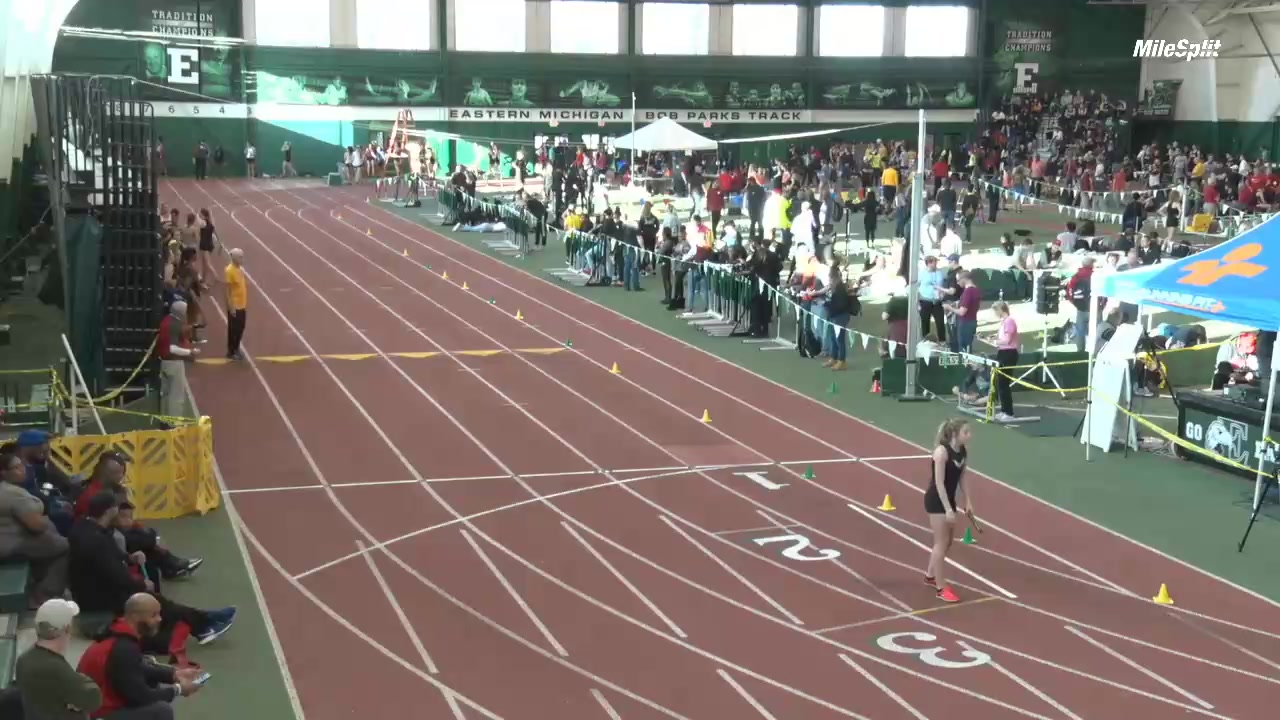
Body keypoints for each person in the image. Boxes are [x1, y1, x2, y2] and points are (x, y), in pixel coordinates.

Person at [69, 493, 235, 652]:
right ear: (109, 511)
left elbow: (109, 558)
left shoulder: (84, 528)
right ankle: (204, 623)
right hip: (100, 602)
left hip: (93, 593)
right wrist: (141, 583)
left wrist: (129, 557)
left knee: (159, 602)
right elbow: (115, 574)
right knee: (153, 602)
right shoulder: (96, 540)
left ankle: (204, 623)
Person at [77, 593, 205, 719]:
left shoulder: (117, 634)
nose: (159, 619)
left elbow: (135, 668)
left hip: (93, 707)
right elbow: (141, 697)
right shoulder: (124, 648)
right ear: (135, 616)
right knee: (161, 711)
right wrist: (178, 689)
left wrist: (173, 674)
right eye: (153, 615)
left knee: (151, 681)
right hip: (96, 714)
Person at [0, 447, 69, 606]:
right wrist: (46, 519)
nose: (22, 470)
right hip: (12, 545)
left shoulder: (9, 490)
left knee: (50, 544)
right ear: (3, 473)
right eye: (16, 468)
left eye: (22, 466)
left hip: (11, 542)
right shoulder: (12, 494)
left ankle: (40, 588)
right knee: (67, 547)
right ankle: (45, 594)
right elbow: (36, 526)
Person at [15, 598, 102, 719]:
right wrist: (80, 680)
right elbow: (93, 698)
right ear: (67, 629)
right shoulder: (57, 670)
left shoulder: (23, 660)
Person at [923, 418, 973, 604]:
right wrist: (947, 509)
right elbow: (939, 483)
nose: (970, 435)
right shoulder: (941, 452)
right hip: (937, 500)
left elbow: (962, 477)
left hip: (949, 500)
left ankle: (929, 575)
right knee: (941, 543)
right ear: (955, 433)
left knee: (948, 542)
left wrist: (968, 501)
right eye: (966, 432)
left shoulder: (963, 452)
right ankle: (941, 587)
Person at [157, 300, 199, 418]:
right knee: (176, 395)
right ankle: (174, 423)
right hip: (174, 364)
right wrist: (189, 352)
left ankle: (164, 420)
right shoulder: (174, 325)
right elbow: (172, 348)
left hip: (165, 363)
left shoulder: (166, 320)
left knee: (165, 394)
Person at [991, 301, 1019, 422]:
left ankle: (1009, 412)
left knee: (1003, 383)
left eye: (996, 311)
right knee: (1000, 383)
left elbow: (1007, 340)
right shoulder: (1004, 323)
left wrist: (995, 341)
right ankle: (1004, 410)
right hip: (1003, 352)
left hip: (1009, 353)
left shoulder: (1009, 321)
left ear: (1001, 310)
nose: (995, 314)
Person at [224, 248, 248, 360]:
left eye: (242, 256)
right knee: (234, 329)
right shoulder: (229, 270)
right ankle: (232, 350)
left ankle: (235, 348)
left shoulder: (239, 269)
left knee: (241, 327)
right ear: (234, 258)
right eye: (240, 257)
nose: (242, 259)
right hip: (235, 305)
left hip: (242, 304)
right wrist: (231, 307)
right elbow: (227, 291)